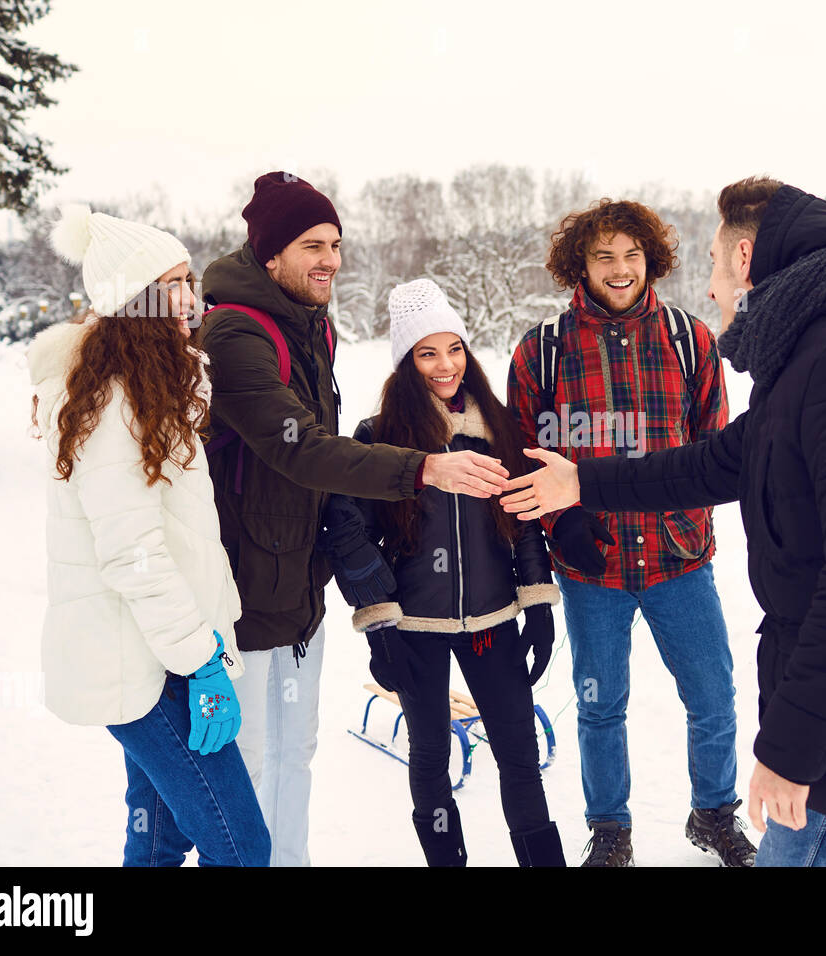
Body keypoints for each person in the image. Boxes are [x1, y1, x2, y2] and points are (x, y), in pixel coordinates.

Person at [501, 177, 826, 867]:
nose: (706, 287)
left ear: (742, 257)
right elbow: (707, 463)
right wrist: (579, 484)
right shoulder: (809, 364)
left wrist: (789, 752)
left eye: (708, 262)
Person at [196, 172, 510, 866]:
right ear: (269, 252)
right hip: (242, 591)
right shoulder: (234, 334)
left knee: (294, 754)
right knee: (249, 765)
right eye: (312, 244)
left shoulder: (312, 329)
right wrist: (422, 467)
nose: (330, 260)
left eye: (336, 244)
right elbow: (300, 449)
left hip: (296, 591)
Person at [506, 199, 754, 867]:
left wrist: (683, 517)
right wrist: (565, 522)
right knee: (599, 705)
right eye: (604, 256)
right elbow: (523, 458)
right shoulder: (542, 351)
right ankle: (610, 830)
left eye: (632, 255)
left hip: (680, 560)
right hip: (593, 570)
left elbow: (717, 454)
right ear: (579, 266)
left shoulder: (690, 341)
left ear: (651, 259)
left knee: (712, 696)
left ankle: (714, 814)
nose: (621, 270)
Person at [28, 204, 269, 866]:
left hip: (161, 652)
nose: (192, 298)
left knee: (160, 841)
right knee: (243, 846)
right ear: (135, 301)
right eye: (174, 285)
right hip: (142, 665)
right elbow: (132, 554)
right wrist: (200, 661)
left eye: (191, 279)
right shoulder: (113, 403)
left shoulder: (156, 385)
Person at [317, 279, 565, 867]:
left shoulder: (500, 427)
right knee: (430, 755)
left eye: (453, 349)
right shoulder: (379, 438)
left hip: (494, 620)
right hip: (415, 625)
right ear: (406, 362)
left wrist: (535, 601)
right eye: (427, 353)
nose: (445, 365)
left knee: (518, 754)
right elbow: (348, 531)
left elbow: (524, 518)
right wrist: (378, 620)